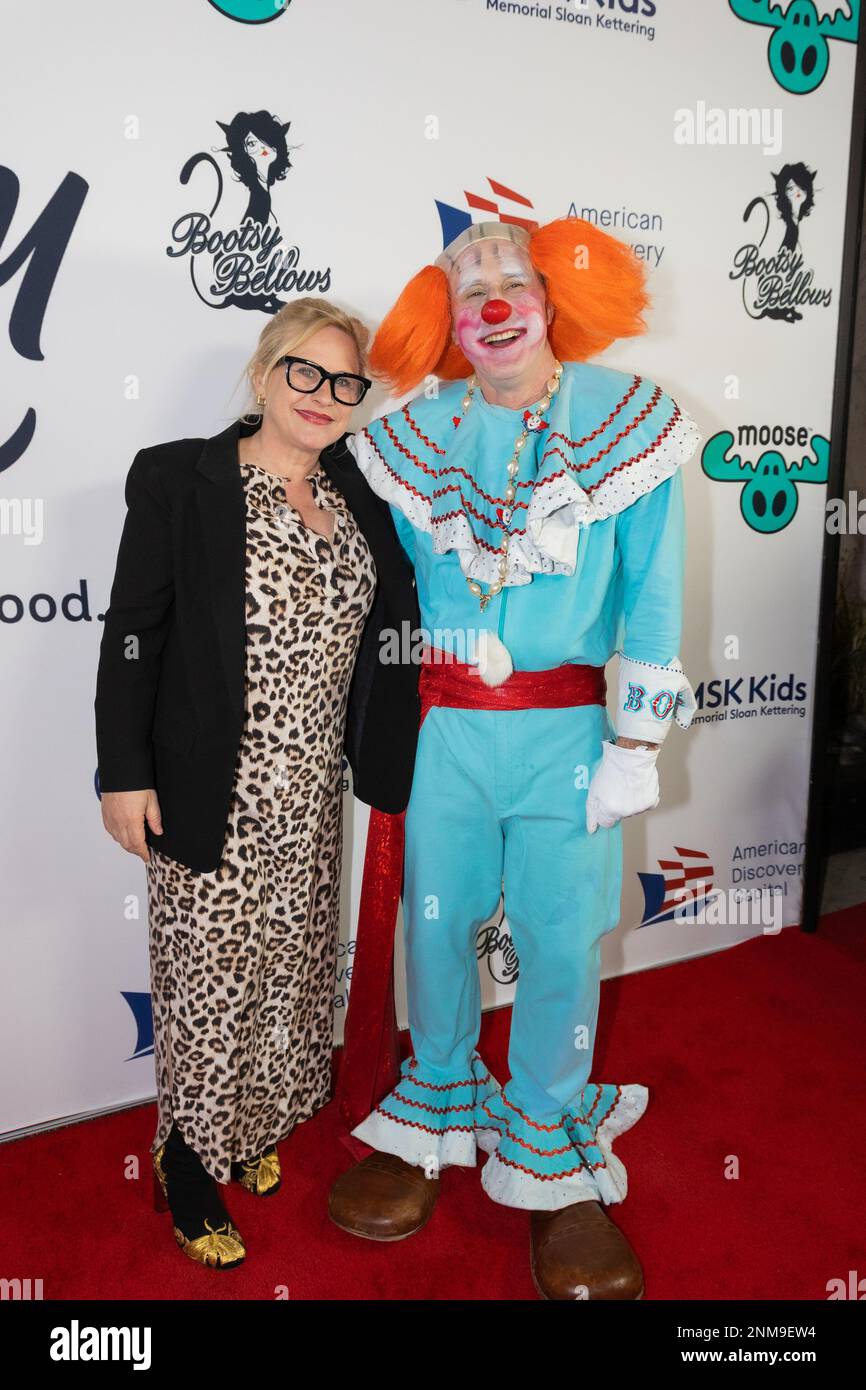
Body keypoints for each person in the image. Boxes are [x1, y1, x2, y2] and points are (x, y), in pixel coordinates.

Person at [328, 217, 701, 1300]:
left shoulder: (629, 423)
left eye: (505, 277)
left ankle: (546, 1144)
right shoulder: (417, 432)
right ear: (443, 318)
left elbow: (653, 592)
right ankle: (434, 1104)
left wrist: (634, 738)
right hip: (448, 729)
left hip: (567, 736)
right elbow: (394, 582)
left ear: (548, 294)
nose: (487, 299)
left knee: (558, 937)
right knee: (433, 926)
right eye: (463, 284)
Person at [94, 298, 420, 1268]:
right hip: (211, 785)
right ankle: (185, 1162)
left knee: (286, 970)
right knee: (207, 980)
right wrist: (123, 773)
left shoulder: (360, 489)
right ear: (265, 372)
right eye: (304, 373)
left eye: (343, 382)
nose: (323, 396)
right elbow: (132, 632)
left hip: (313, 786)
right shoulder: (180, 480)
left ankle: (248, 1127)